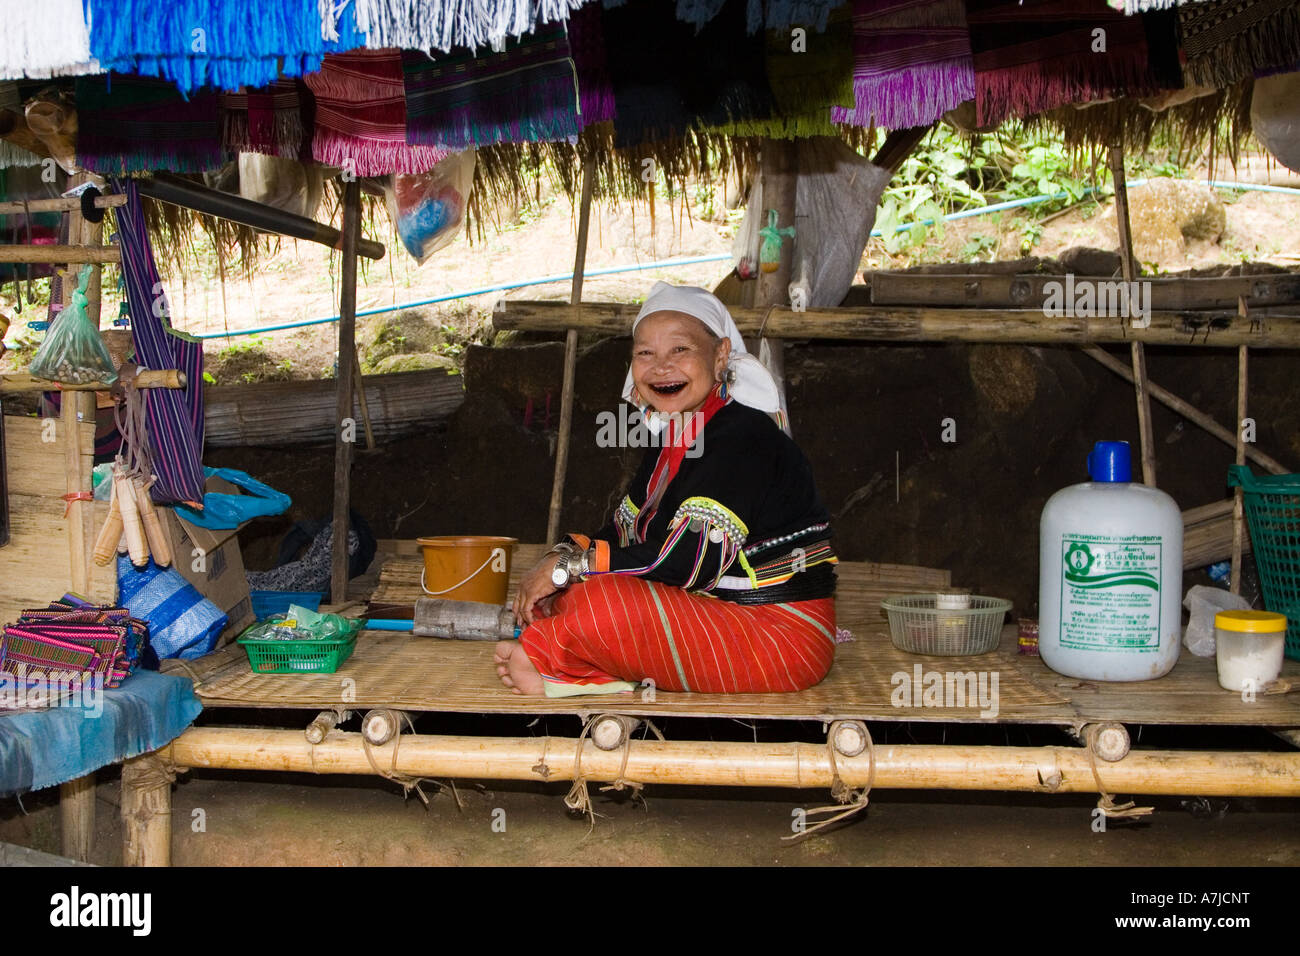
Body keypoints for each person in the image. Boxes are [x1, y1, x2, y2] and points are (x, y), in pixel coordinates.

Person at [495, 282, 837, 697]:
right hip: (715, 613)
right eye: (645, 353)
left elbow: (688, 561)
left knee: (599, 604)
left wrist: (570, 570)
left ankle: (568, 668)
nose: (661, 367)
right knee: (583, 590)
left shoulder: (744, 436)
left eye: (680, 350)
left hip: (780, 636)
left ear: (720, 356)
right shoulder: (675, 436)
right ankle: (572, 660)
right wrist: (560, 559)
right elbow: (623, 534)